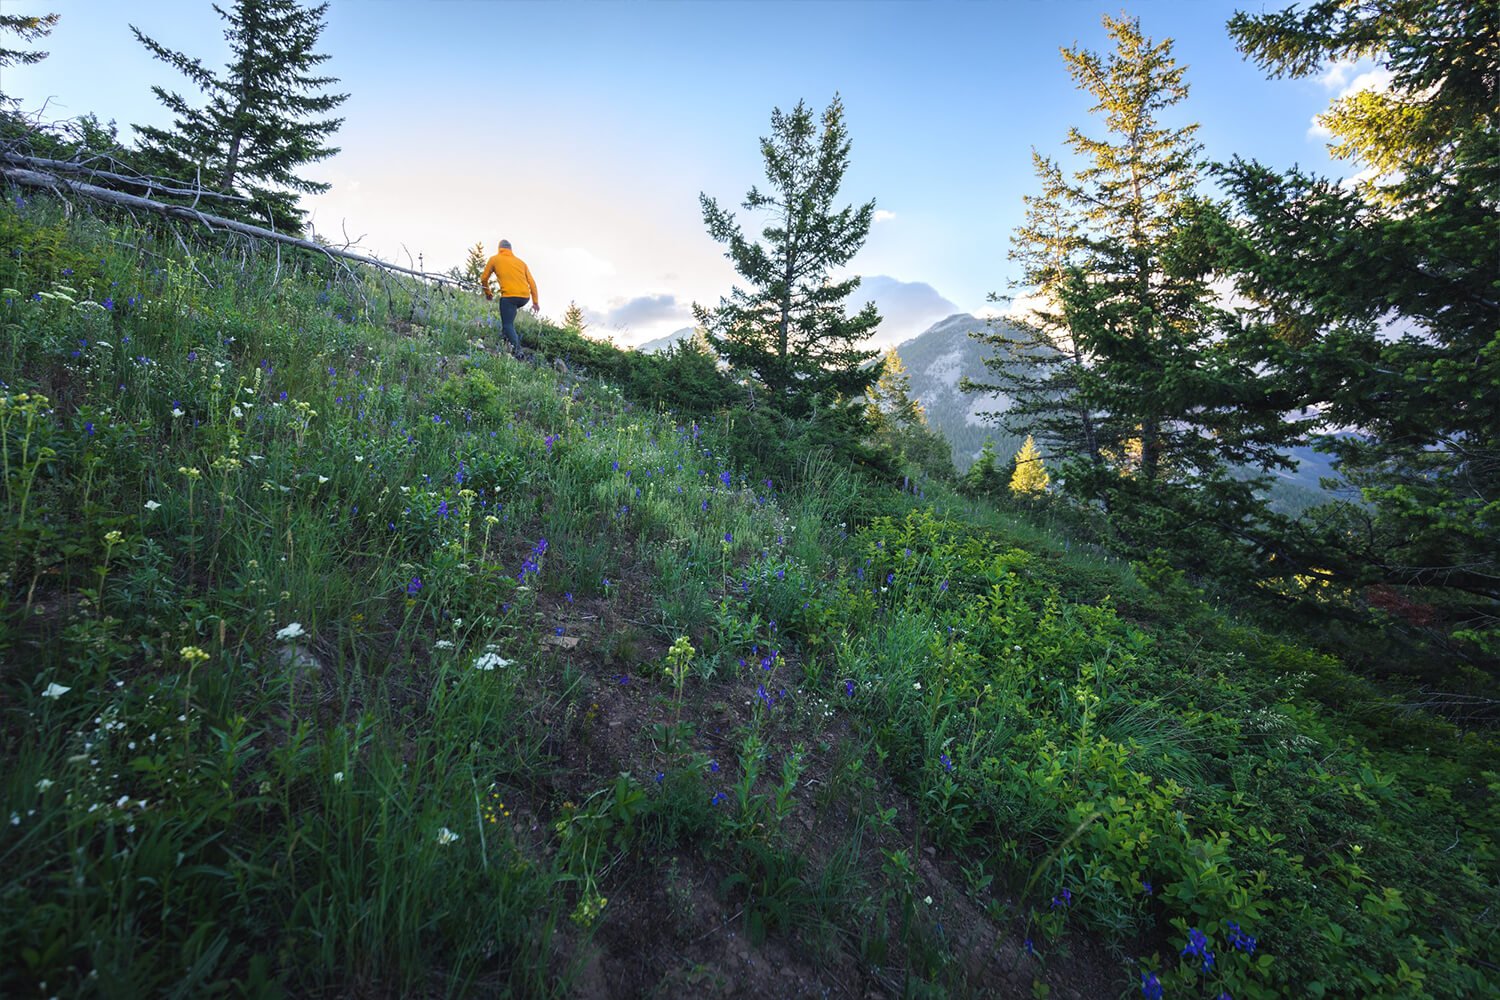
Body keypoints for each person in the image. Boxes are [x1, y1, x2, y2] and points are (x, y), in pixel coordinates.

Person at [479, 239, 540, 355]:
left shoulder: (494, 259)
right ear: (511, 250)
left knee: (507, 324)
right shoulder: (521, 263)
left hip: (509, 297)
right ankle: (504, 343)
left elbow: (483, 278)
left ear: (499, 249)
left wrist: (488, 293)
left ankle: (518, 352)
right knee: (508, 320)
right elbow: (532, 283)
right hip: (524, 297)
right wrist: (535, 302)